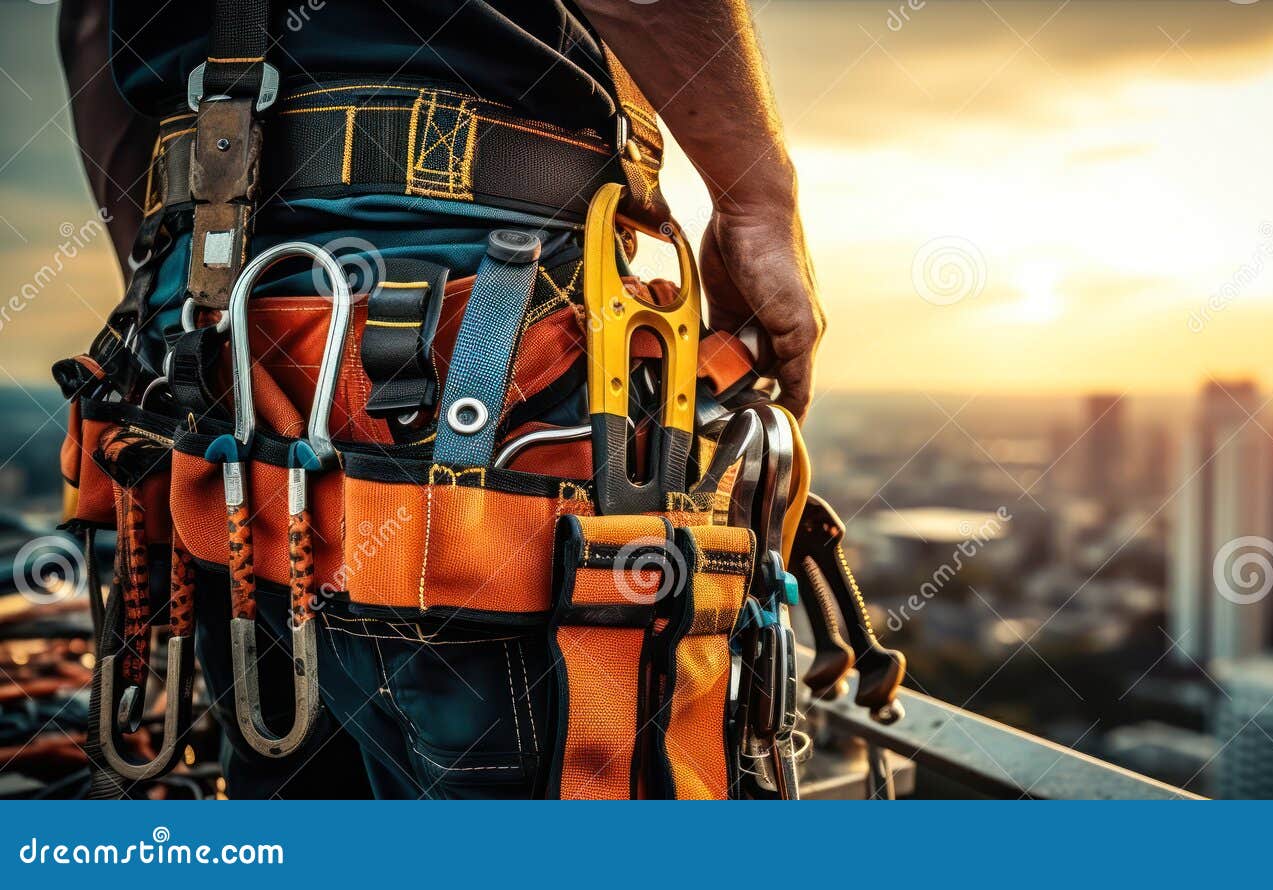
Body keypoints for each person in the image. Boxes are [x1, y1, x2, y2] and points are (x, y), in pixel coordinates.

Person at [58, 0, 822, 798]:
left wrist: (179, 268)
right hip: (474, 269)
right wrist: (758, 203)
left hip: (210, 315)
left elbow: (86, 24)